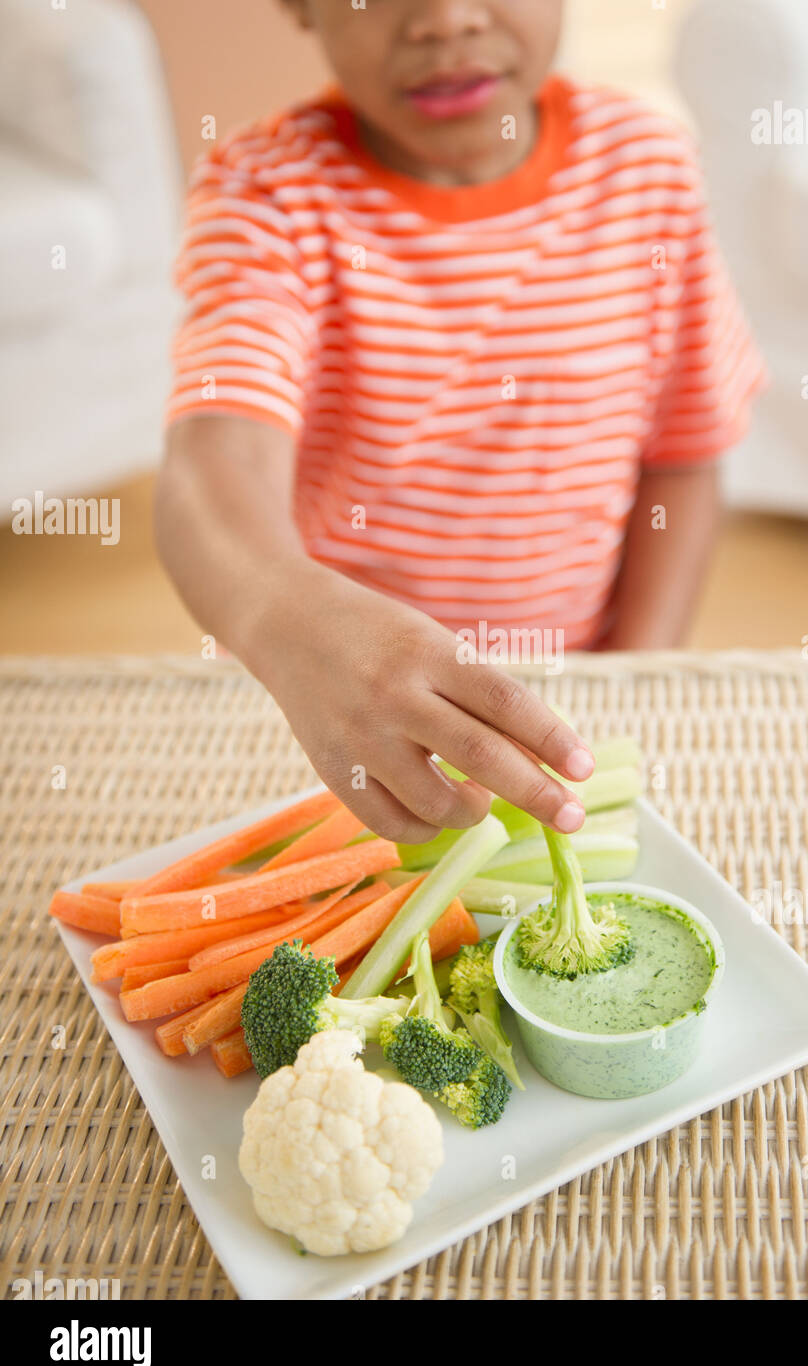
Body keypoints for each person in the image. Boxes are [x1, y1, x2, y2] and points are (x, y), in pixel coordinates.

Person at [154, 0, 766, 842]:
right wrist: (281, 613)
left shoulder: (646, 168)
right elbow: (212, 460)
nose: (443, 21)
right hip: (330, 716)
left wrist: (639, 673)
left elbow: (684, 455)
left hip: (570, 699)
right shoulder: (267, 195)